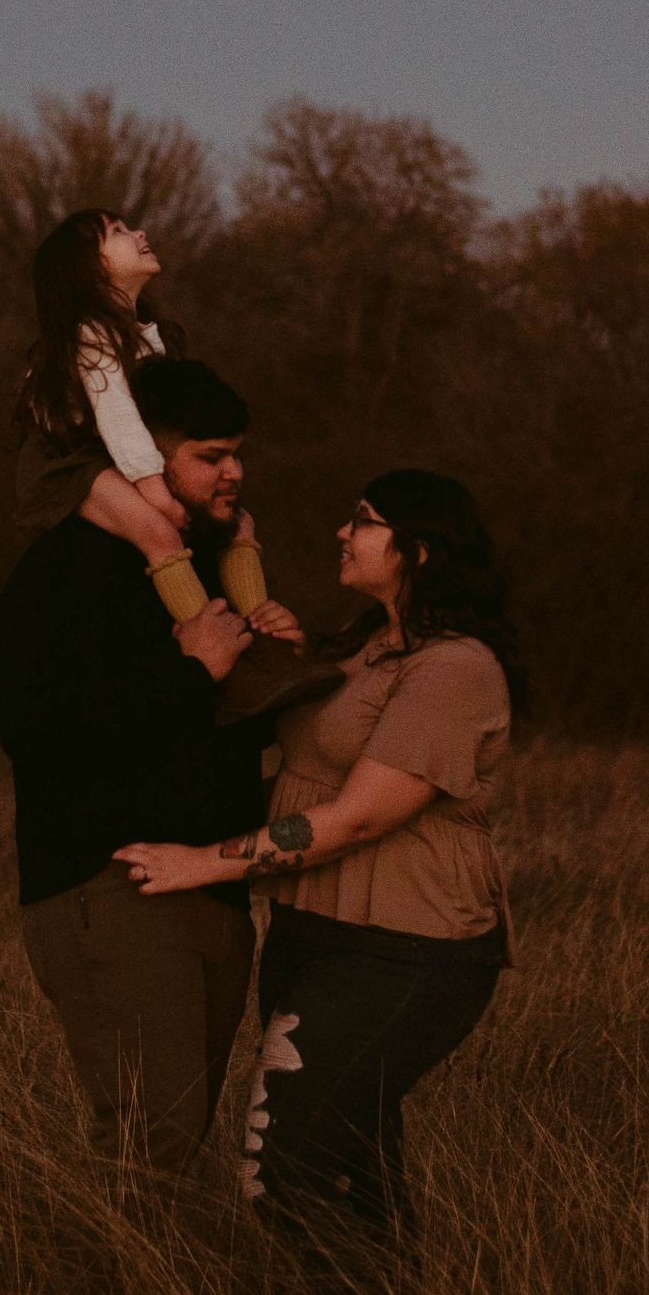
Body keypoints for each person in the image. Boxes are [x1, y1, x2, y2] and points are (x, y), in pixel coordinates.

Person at [115, 469, 523, 1255]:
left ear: (419, 550)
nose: (343, 532)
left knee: (283, 1166)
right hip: (314, 932)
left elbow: (360, 815)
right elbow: (293, 756)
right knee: (354, 1163)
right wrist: (272, 650)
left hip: (406, 951)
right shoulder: (366, 648)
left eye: (365, 520)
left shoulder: (454, 669)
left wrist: (203, 862)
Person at [0, 356, 317, 1177]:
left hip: (213, 888)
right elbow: (39, 735)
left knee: (179, 1140)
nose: (235, 472)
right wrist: (192, 670)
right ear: (144, 457)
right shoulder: (64, 569)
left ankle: (147, 1264)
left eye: (238, 453)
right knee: (151, 1143)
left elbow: (217, 732)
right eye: (212, 456)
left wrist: (273, 663)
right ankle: (106, 1269)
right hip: (114, 886)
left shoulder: (203, 571)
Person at [15, 209, 270, 627]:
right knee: (158, 532)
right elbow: (120, 422)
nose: (139, 233)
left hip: (123, 458)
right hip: (68, 461)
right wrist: (159, 495)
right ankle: (209, 634)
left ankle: (262, 630)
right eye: (117, 232)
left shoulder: (148, 335)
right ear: (89, 269)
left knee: (240, 523)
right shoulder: (89, 335)